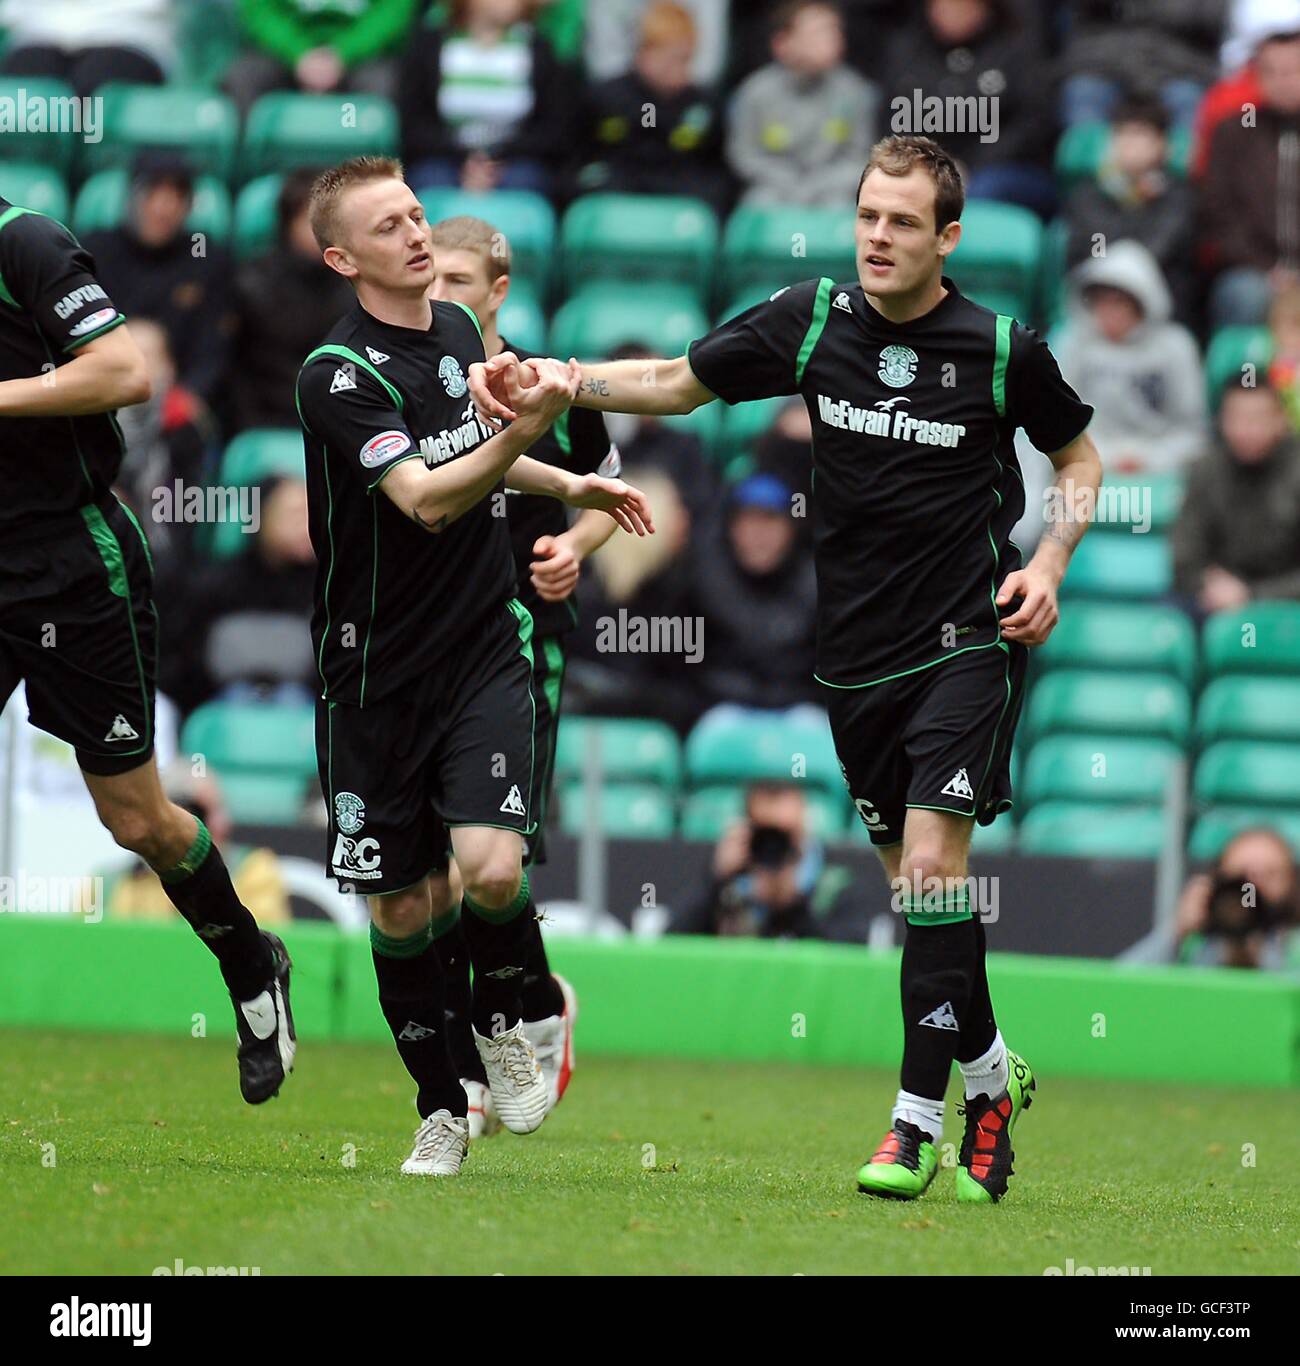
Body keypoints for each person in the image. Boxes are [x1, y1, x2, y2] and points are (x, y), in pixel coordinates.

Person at [473, 134, 1104, 1204]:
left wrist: (1047, 559)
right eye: (867, 215)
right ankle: (990, 1079)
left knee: (935, 869)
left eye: (903, 222)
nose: (877, 237)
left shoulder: (1001, 350)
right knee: (920, 894)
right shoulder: (813, 319)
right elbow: (675, 384)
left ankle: (914, 1126)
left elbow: (1078, 458)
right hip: (854, 660)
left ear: (947, 238)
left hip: (968, 640)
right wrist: (561, 377)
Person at [294, 157, 651, 1175]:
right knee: (402, 906)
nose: (415, 234)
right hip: (371, 678)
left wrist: (568, 473)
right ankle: (439, 1104)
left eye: (415, 215)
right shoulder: (337, 375)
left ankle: (517, 1006)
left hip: (483, 650)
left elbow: (479, 446)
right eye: (388, 225)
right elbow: (427, 496)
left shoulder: (456, 336)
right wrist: (530, 435)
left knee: (492, 865)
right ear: (340, 257)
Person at [0, 195, 295, 1108]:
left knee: (135, 819)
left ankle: (251, 965)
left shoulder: (25, 241)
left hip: (68, 563)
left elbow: (125, 370)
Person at [426, 212, 623, 1136]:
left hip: (518, 644)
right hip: (414, 649)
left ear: (497, 291)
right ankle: (521, 1017)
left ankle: (488, 1053)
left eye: (459, 283)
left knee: (487, 868)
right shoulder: (406, 380)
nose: (441, 297)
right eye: (431, 281)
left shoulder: (551, 383)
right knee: (431, 875)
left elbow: (609, 491)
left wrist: (574, 548)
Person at [82, 151, 234, 408]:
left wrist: (188, 397)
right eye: (152, 193)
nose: (164, 208)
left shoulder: (207, 259)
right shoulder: (94, 252)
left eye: (177, 196)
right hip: (101, 396)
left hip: (178, 407)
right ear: (132, 197)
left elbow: (215, 348)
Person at [1054, 239, 1207, 475]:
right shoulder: (1072, 342)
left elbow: (1191, 429)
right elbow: (1057, 422)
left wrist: (1149, 458)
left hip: (1165, 466)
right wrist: (1104, 456)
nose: (1109, 313)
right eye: (1101, 301)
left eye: (1119, 303)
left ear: (1143, 301)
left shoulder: (1176, 347)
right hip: (1087, 464)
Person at [399, 0, 572, 196]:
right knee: (429, 181)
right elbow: (414, 124)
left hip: (517, 161)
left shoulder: (540, 47)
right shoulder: (429, 45)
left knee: (528, 182)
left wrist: (496, 159)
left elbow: (552, 128)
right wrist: (465, 159)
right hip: (443, 158)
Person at [230, 168, 356, 432]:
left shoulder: (357, 284)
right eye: (308, 220)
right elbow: (238, 374)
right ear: (287, 222)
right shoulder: (252, 285)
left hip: (341, 423)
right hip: (267, 423)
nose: (319, 231)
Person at [574, 1, 728, 211]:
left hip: (679, 191)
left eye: (686, 60)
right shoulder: (610, 97)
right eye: (671, 60)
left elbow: (715, 166)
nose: (679, 71)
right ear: (645, 52)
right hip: (622, 188)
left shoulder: (702, 104)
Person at [670, 781, 869, 941]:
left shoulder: (835, 886)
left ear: (803, 827)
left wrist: (792, 906)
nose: (774, 845)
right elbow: (672, 948)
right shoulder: (728, 885)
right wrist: (715, 879)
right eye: (765, 834)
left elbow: (847, 962)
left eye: (785, 835)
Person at [726, 0, 878, 208]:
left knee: (844, 207)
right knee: (759, 203)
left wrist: (819, 185)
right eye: (818, 32)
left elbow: (861, 156)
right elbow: (744, 154)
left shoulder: (855, 92)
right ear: (782, 44)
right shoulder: (756, 92)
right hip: (773, 187)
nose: (832, 40)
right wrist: (787, 182)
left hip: (834, 190)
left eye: (835, 31)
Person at [1064, 98, 1198, 326]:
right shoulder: (1087, 192)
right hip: (1094, 313)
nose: (1129, 144)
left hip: (1162, 319)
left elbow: (1158, 250)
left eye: (1140, 134)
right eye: (1122, 134)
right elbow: (1098, 247)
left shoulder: (1180, 196)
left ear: (1163, 144)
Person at [1171, 378, 1300, 616]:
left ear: (1281, 420)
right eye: (1237, 418)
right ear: (1220, 421)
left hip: (1287, 601)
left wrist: (1252, 594)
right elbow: (1185, 556)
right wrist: (1209, 583)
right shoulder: (1204, 470)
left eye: (1258, 418)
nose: (1247, 429)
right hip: (1216, 599)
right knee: (1170, 613)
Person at [1201, 27, 1300, 326]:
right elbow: (1216, 213)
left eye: (1293, 70)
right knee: (1242, 295)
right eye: (1272, 71)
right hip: (1254, 270)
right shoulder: (1234, 133)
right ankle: (1242, 374)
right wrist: (1267, 268)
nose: (1283, 81)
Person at [224, 0, 416, 114]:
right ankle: (248, 176)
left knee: (386, 83)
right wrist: (299, 54)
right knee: (244, 78)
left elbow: (392, 13)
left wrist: (341, 55)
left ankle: (370, 175)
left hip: (359, 56)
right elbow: (260, 12)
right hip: (289, 54)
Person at [1174, 827, 1300, 970]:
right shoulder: (1195, 944)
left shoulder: (1294, 946)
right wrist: (1178, 933)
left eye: (1269, 875)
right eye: (1243, 874)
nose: (1252, 889)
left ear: (1291, 883)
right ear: (1219, 879)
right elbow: (1145, 975)